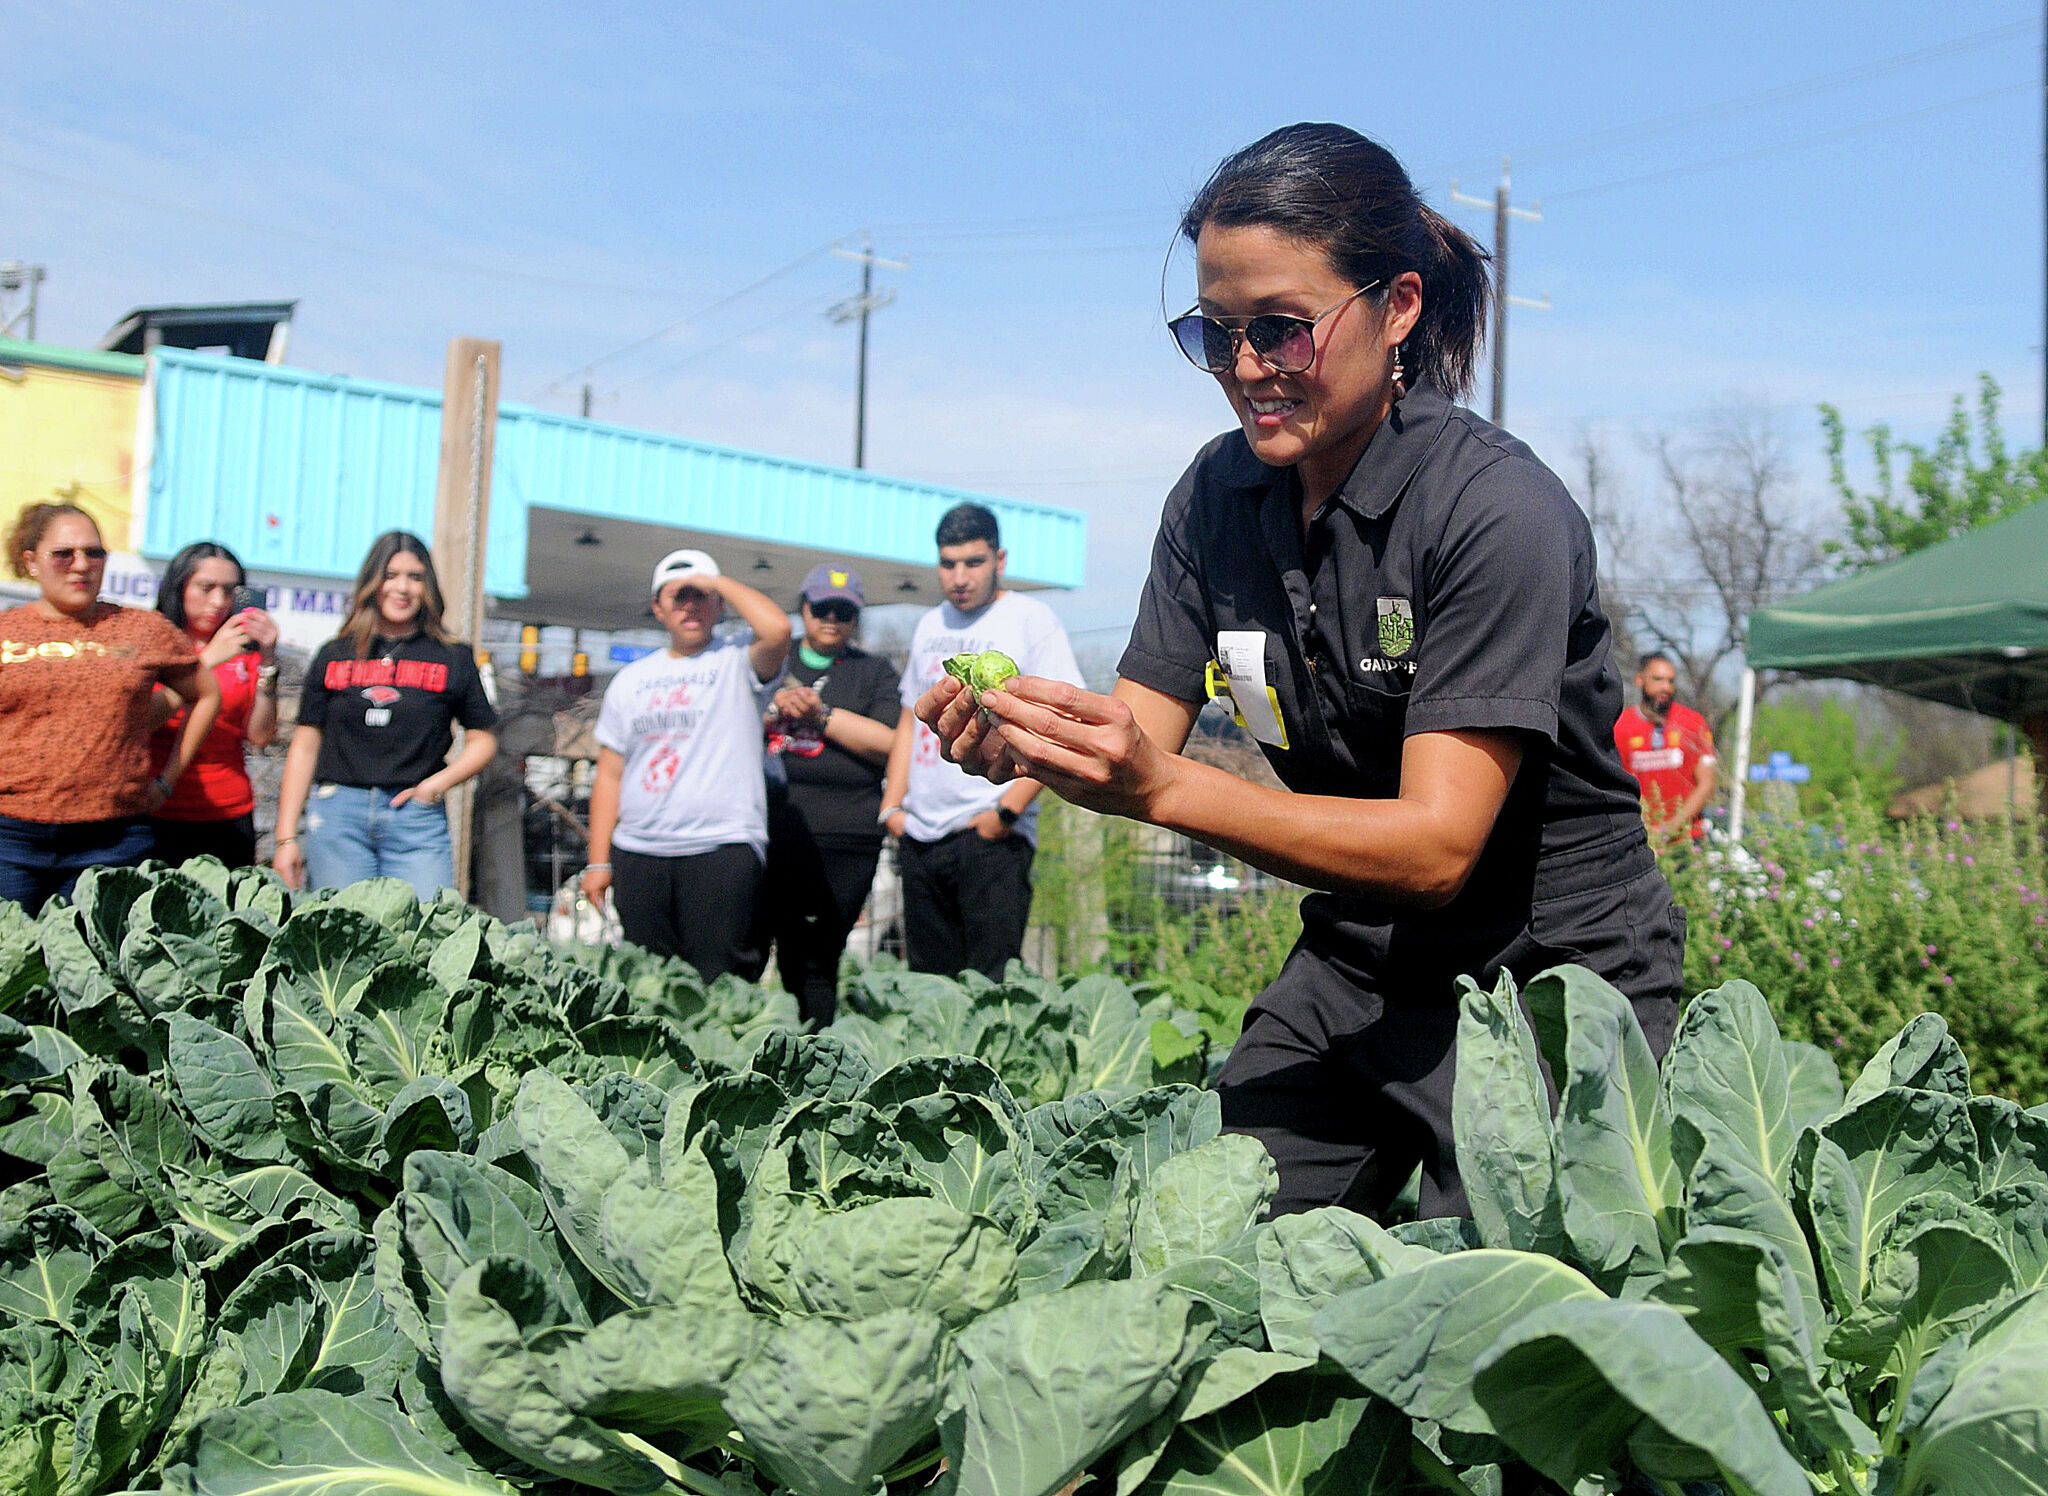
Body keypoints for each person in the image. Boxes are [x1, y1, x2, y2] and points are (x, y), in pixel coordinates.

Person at [917, 123, 1681, 1220]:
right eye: (1213, 332)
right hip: (1359, 960)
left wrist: (1161, 787)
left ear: (1398, 307)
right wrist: (1026, 737)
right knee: (1214, 1249)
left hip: (1552, 974)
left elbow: (1434, 845)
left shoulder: (1490, 510)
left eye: (1280, 329)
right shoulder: (1213, 501)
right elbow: (1135, 732)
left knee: (1497, 1331)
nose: (1243, 369)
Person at [882, 503, 1084, 980]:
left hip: (991, 835)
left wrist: (1005, 814)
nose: (959, 577)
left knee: (991, 992)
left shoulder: (1032, 619)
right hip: (921, 833)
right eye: (948, 563)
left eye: (973, 562)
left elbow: (1062, 723)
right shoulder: (929, 624)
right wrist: (891, 808)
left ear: (1000, 559)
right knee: (927, 992)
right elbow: (909, 719)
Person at [579, 550, 791, 980]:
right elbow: (609, 773)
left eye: (702, 596)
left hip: (721, 848)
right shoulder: (631, 680)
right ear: (658, 607)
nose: (690, 606)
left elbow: (778, 630)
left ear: (718, 604)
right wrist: (598, 861)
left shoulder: (735, 660)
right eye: (678, 597)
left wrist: (717, 580)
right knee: (648, 984)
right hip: (640, 851)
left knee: (721, 984)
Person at [0, 503, 219, 912]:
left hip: (113, 840)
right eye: (64, 554)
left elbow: (206, 694)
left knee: (97, 970)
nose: (81, 565)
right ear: (31, 561)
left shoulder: (143, 629)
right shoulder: (6, 631)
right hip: (10, 838)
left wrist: (166, 781)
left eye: (94, 553)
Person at [273, 531, 499, 899]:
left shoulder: (452, 656)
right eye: (391, 575)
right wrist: (285, 837)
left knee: (426, 933)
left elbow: (483, 738)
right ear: (371, 583)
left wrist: (436, 785)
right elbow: (305, 745)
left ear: (428, 587)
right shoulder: (335, 653)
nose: (403, 588)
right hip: (338, 815)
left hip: (415, 819)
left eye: (415, 577)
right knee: (343, 933)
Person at [760, 564, 901, 1024]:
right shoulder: (773, 663)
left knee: (819, 960)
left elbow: (892, 744)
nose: (832, 619)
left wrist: (821, 714)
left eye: (844, 612)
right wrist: (773, 707)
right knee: (755, 947)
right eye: (822, 608)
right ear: (803, 609)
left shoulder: (873, 672)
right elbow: (728, 723)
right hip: (769, 832)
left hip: (845, 837)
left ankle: (815, 1055)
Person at [148, 542, 281, 869]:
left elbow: (260, 734)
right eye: (206, 588)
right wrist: (205, 662)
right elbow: (141, 718)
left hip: (227, 810)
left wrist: (268, 661)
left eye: (230, 591)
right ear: (180, 587)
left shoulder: (243, 650)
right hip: (156, 805)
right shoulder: (152, 641)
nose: (218, 602)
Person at [1613, 652, 1717, 849]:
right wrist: (1643, 831)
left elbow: (1706, 785)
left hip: (1686, 840)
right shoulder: (1621, 727)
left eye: (1670, 681)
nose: (1666, 687)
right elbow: (1617, 788)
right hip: (1639, 840)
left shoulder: (1692, 723)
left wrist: (1670, 829)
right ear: (1639, 679)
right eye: (1658, 679)